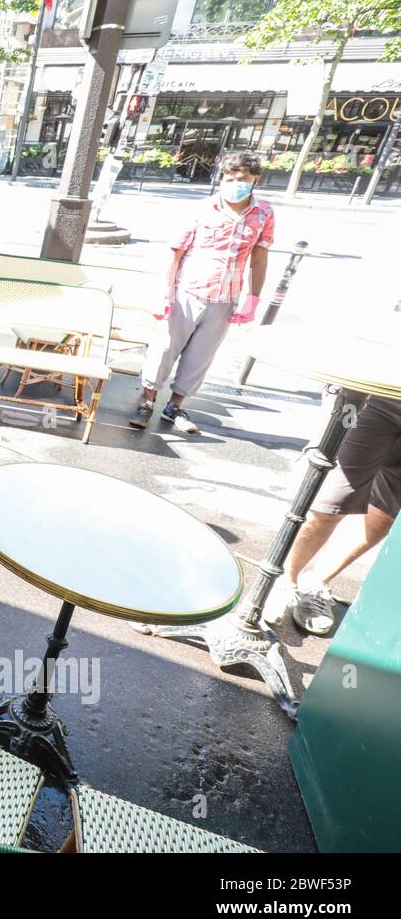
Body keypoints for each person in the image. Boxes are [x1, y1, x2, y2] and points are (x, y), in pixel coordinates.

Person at [130, 151, 275, 434]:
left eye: (243, 178)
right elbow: (176, 252)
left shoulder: (264, 214)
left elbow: (259, 258)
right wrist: (165, 292)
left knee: (200, 356)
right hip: (188, 290)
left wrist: (253, 299)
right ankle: (147, 401)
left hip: (226, 297)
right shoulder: (202, 209)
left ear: (255, 179)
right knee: (164, 349)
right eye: (229, 178)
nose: (236, 183)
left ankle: (176, 405)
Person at [265, 394, 401, 634]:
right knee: (330, 505)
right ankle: (284, 580)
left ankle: (316, 583)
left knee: (382, 518)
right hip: (379, 395)